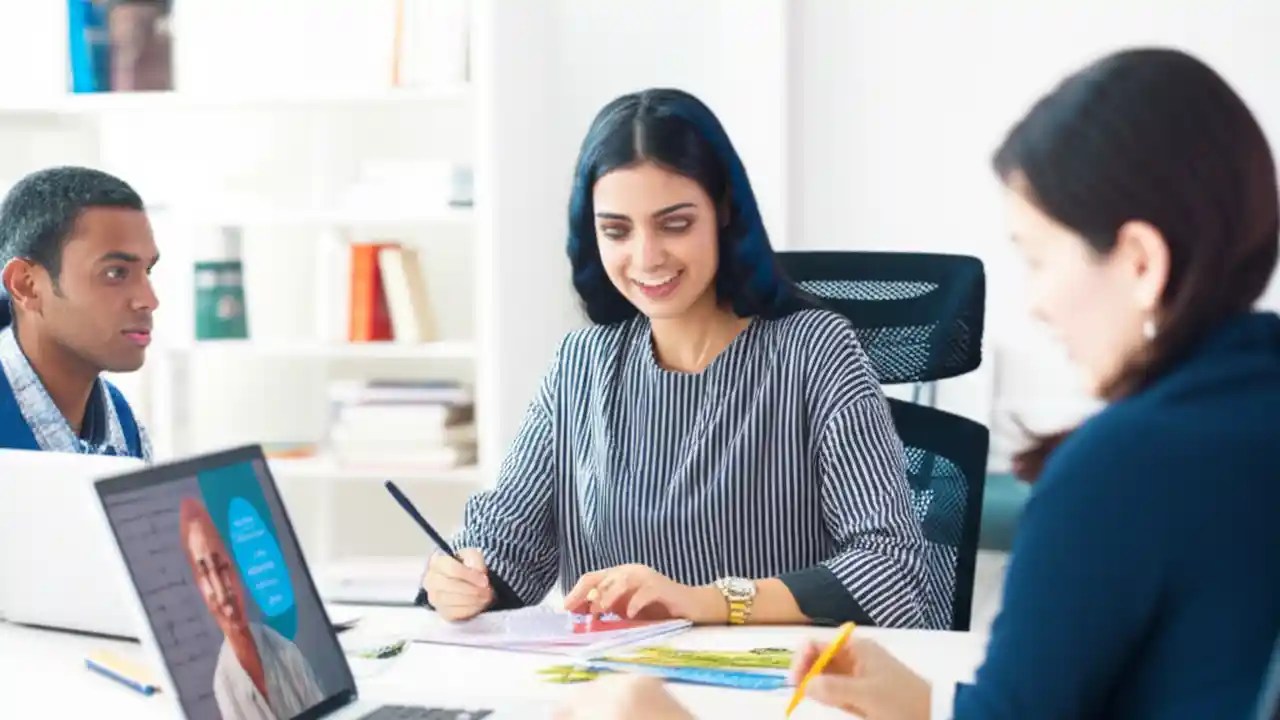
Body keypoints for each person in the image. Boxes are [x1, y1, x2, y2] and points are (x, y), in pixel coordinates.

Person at [553, 47, 1280, 720]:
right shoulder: (1254, 409)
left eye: (1040, 259)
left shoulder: (1118, 470)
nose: (1037, 303)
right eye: (616, 229)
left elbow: (953, 640)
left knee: (631, 709)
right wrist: (927, 704)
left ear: (1141, 262)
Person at [421, 88, 930, 629]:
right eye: (616, 230)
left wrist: (707, 601)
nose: (646, 257)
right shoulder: (580, 365)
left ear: (724, 211)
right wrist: (463, 579)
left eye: (675, 224)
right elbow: (506, 543)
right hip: (616, 693)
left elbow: (892, 569)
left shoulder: (814, 352)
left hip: (770, 692)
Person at [0, 166, 157, 459]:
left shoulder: (122, 422)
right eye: (115, 273)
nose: (149, 300)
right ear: (27, 285)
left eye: (147, 271)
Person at [179, 496, 326, 720]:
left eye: (222, 567)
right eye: (205, 573)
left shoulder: (284, 650)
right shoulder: (224, 684)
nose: (222, 592)